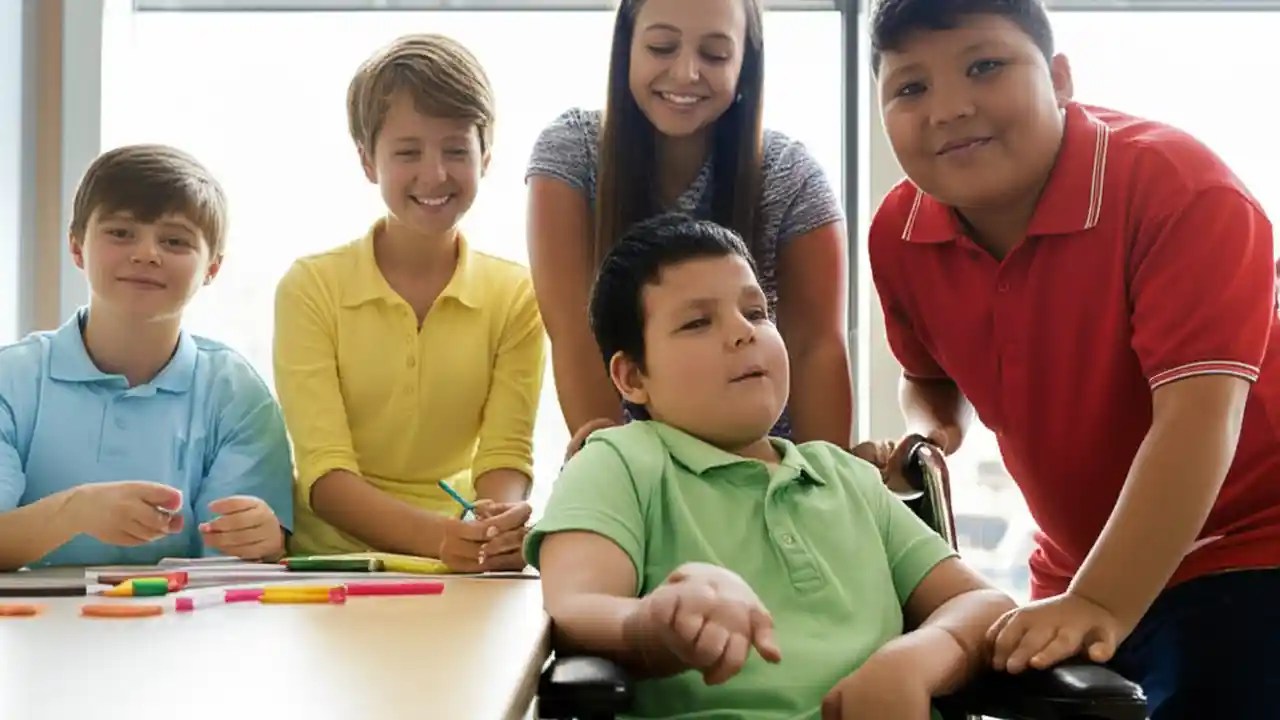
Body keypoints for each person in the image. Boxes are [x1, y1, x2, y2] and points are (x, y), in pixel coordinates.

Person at [866, 1, 1280, 715]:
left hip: (1248, 546)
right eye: (911, 87)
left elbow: (1196, 421)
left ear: (1059, 78)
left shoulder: (1180, 190)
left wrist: (1099, 601)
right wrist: (934, 431)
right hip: (1074, 564)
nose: (949, 109)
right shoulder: (898, 232)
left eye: (984, 66)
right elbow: (926, 376)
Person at [526, 213, 1013, 719]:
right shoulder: (618, 462)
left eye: (756, 313)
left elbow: (986, 607)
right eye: (697, 322)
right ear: (632, 377)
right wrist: (653, 626)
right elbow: (573, 608)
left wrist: (915, 660)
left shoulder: (846, 477)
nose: (743, 333)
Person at [527, 0, 852, 450]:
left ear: (745, 65)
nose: (685, 73)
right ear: (627, 50)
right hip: (635, 462)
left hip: (766, 463)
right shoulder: (572, 152)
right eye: (661, 47)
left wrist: (823, 488)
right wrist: (625, 473)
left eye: (715, 55)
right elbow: (574, 331)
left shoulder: (790, 175)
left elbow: (818, 348)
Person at [273, 34, 544, 571]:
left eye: (455, 149)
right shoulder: (311, 287)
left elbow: (505, 455)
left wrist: (498, 522)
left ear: (484, 157)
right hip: (330, 567)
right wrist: (442, 538)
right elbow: (325, 478)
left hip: (461, 569)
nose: (435, 173)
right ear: (368, 161)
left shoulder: (515, 295)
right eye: (407, 152)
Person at [0, 144, 293, 569]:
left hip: (181, 625)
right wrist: (75, 511)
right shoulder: (12, 378)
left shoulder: (236, 394)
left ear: (212, 268)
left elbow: (230, 566)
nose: (146, 254)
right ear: (77, 247)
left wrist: (263, 539)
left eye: (175, 241)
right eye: (120, 233)